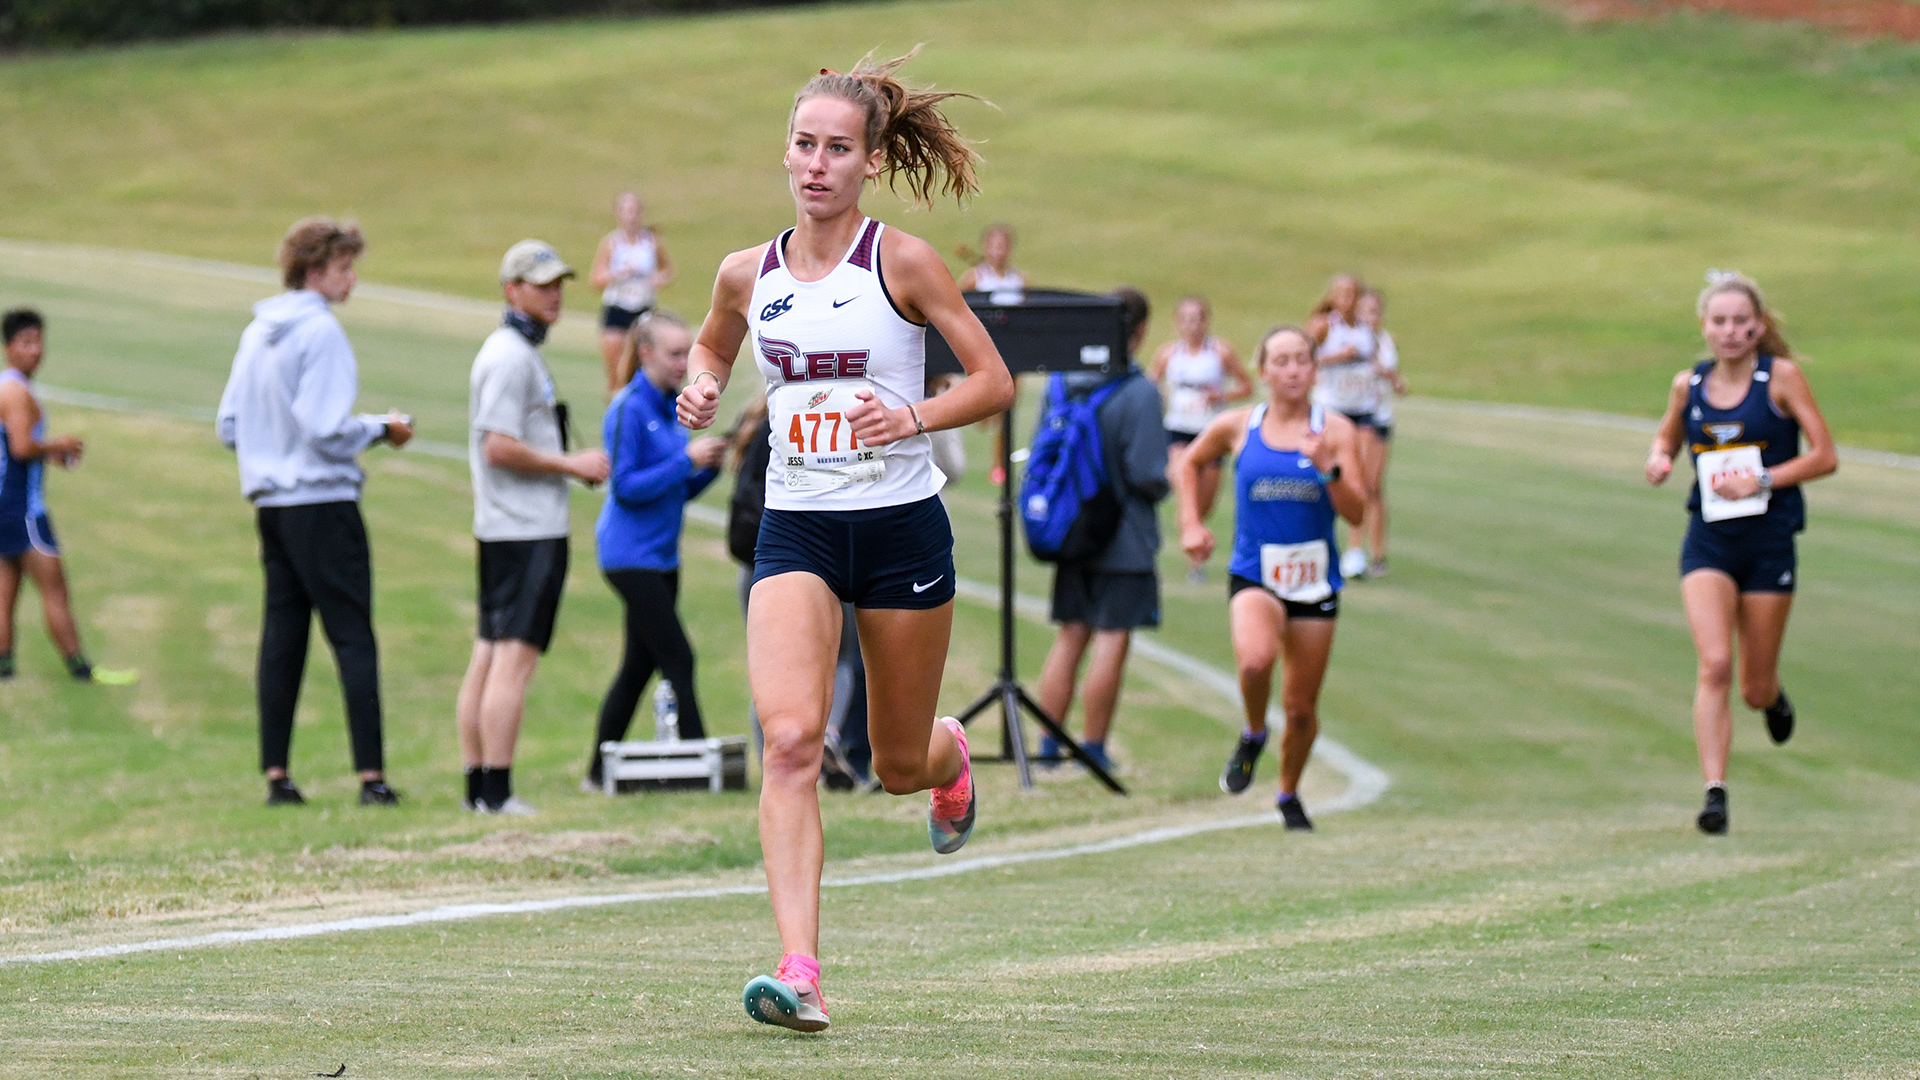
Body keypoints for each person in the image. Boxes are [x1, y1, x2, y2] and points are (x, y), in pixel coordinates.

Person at [675, 50, 1015, 1033]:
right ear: (786, 154)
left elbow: (992, 384)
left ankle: (950, 765)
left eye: (837, 148)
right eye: (803, 144)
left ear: (868, 161)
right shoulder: (749, 272)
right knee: (788, 741)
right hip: (799, 528)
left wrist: (909, 419)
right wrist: (702, 383)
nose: (816, 163)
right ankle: (800, 970)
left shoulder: (900, 262)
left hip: (902, 526)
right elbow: (713, 342)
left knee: (893, 761)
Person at [215, 217, 412, 807]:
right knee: (352, 636)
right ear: (316, 270)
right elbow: (325, 428)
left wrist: (268, 449)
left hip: (272, 502)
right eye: (344, 267)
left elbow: (229, 425)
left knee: (283, 637)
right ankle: (370, 778)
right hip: (322, 502)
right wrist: (382, 428)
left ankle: (278, 774)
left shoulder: (258, 332)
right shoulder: (320, 332)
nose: (351, 279)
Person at [1645, 271, 1836, 835]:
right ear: (1704, 327)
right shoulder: (1689, 385)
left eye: (1739, 322)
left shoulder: (1781, 379)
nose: (1729, 332)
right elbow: (1668, 437)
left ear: (1757, 326)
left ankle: (1773, 698)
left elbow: (1825, 456)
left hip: (1768, 541)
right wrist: (1658, 459)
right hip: (1708, 540)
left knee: (1753, 685)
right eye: (1718, 321)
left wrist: (1762, 480)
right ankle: (1715, 792)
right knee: (1715, 664)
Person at [1178, 326, 1366, 830]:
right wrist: (1191, 523)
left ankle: (1287, 793)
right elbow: (1189, 464)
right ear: (1263, 372)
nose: (1293, 370)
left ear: (1314, 369)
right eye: (1281, 360)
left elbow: (1357, 514)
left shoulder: (1338, 431)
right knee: (1256, 662)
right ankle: (1255, 732)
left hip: (1314, 582)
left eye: (1302, 360)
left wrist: (1328, 468)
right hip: (1255, 573)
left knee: (1302, 709)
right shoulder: (1240, 425)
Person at [457, 240, 611, 816]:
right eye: (542, 286)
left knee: (491, 653)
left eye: (559, 285)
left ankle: (479, 787)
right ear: (511, 290)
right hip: (526, 529)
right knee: (512, 660)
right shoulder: (510, 357)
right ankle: (497, 791)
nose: (555, 296)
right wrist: (571, 464)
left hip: (504, 527)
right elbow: (498, 446)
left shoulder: (511, 352)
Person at [584, 312, 727, 788]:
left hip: (662, 557)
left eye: (687, 351)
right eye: (673, 353)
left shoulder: (670, 407)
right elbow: (625, 487)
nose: (684, 363)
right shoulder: (629, 408)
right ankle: (697, 771)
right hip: (630, 557)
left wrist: (709, 467)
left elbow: (674, 491)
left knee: (638, 667)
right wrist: (685, 459)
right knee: (679, 659)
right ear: (645, 354)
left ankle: (596, 772)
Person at [1034, 286, 1169, 775]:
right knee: (1113, 637)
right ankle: (1092, 745)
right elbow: (1148, 472)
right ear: (1139, 331)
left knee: (1070, 635)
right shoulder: (1139, 390)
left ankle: (1048, 742)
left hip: (1070, 530)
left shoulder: (1061, 384)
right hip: (1125, 536)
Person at [0, 309, 117, 685]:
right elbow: (20, 447)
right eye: (26, 342)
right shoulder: (16, 392)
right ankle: (81, 668)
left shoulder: (7, 386)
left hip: (5, 504)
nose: (36, 350)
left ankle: (4, 664)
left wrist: (48, 452)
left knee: (6, 585)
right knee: (55, 585)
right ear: (9, 348)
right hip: (24, 509)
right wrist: (59, 444)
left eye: (39, 341)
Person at [1148, 295, 1251, 582]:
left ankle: (1195, 551)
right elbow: (1149, 385)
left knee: (1204, 503)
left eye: (1197, 319)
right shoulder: (1169, 354)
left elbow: (1246, 386)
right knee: (1187, 494)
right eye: (1186, 320)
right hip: (1178, 430)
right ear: (1178, 323)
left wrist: (1223, 395)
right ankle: (1193, 561)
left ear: (1206, 321)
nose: (1192, 326)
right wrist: (1159, 395)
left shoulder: (1220, 352)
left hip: (1210, 432)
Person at [1307, 274, 1383, 582]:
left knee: (1359, 479)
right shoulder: (1325, 325)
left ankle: (1355, 551)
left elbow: (1374, 363)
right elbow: (1307, 359)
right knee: (1323, 479)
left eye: (1352, 294)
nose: (1347, 299)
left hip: (1362, 409)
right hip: (1331, 410)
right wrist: (1341, 356)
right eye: (1341, 293)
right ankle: (1320, 541)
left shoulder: (1368, 331)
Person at [589, 191, 674, 394]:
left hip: (643, 309)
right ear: (618, 214)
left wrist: (655, 279)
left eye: (635, 211)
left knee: (644, 372)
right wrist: (617, 274)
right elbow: (595, 279)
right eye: (626, 211)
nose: (631, 216)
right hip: (617, 309)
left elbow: (667, 270)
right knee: (616, 376)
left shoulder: (651, 242)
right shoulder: (611, 243)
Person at [1355, 288, 1407, 577]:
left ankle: (1377, 554)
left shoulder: (1384, 343)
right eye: (1363, 311)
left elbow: (1394, 380)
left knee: (1373, 486)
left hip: (1379, 417)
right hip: (1353, 417)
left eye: (1374, 311)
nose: (1369, 318)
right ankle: (1353, 550)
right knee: (1357, 484)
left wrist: (1388, 374)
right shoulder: (1347, 341)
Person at [955, 223, 1025, 304]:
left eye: (1002, 247)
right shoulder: (975, 277)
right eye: (994, 247)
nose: (999, 253)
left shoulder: (1020, 278)